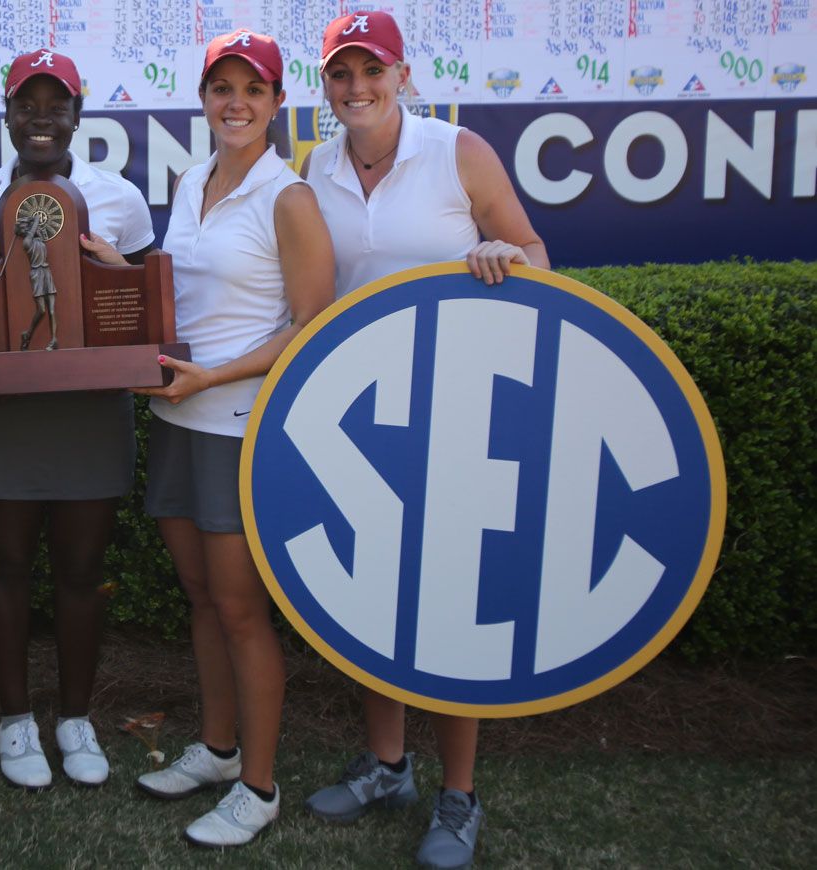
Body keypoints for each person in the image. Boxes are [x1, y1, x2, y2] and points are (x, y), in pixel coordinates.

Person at [298, 11, 549, 869]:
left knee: (450, 603)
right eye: (342, 73)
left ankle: (459, 795)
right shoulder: (315, 168)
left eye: (373, 70)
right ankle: (387, 766)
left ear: (403, 75)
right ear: (326, 84)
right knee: (374, 593)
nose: (357, 87)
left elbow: (538, 255)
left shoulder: (458, 152)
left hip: (460, 412)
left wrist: (504, 255)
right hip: (365, 417)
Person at [86, 30, 334, 845]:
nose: (236, 103)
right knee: (202, 599)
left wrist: (214, 378)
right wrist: (118, 269)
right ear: (203, 98)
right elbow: (184, 298)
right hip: (176, 419)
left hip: (238, 427)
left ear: (277, 103)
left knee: (240, 612)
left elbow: (312, 325)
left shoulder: (288, 198)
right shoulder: (192, 180)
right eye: (223, 88)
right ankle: (220, 751)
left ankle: (259, 788)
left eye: (253, 90)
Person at [0, 48, 155, 790]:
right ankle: (14, 718)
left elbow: (145, 310)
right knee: (4, 564)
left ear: (77, 114)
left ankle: (74, 717)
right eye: (26, 105)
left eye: (55, 105)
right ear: (6, 115)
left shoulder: (119, 199)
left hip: (90, 413)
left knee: (82, 571)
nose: (41, 119)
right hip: (8, 418)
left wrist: (117, 273)